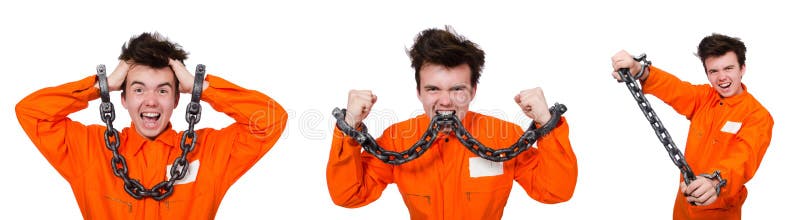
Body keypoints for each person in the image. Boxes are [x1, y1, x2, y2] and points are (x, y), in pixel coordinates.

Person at [16, 32, 288, 219]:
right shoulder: (89, 151)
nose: (151, 102)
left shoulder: (209, 153)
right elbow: (31, 112)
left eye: (162, 90)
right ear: (121, 98)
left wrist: (200, 88)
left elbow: (271, 119)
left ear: (177, 98)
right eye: (138, 89)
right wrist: (102, 85)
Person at [326, 26, 578, 219]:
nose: (445, 101)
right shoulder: (398, 139)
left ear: (472, 91)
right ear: (419, 92)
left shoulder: (504, 136)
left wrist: (546, 123)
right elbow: (350, 195)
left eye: (457, 89)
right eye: (433, 89)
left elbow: (555, 192)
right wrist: (350, 126)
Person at [610, 33, 773, 219]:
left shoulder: (757, 116)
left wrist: (716, 180)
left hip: (718, 211)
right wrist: (640, 70)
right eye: (714, 71)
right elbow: (675, 89)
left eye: (728, 68)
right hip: (683, 208)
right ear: (707, 73)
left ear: (742, 68)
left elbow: (744, 158)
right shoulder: (704, 98)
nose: (722, 78)